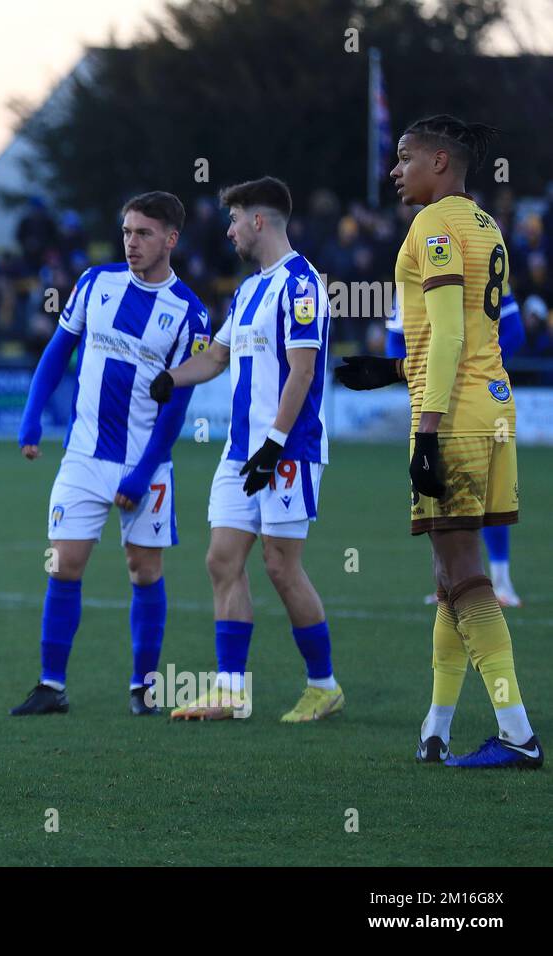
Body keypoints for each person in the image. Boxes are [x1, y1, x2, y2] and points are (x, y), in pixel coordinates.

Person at [336, 115, 541, 768]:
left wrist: (424, 432)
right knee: (450, 578)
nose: (394, 170)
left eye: (405, 158)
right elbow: (476, 340)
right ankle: (437, 726)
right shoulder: (486, 225)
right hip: (494, 411)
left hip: (452, 420)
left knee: (464, 579)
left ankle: (517, 732)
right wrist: (394, 371)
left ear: (441, 165)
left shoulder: (433, 225)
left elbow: (450, 335)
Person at [151, 176, 343, 722]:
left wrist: (274, 445)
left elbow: (303, 373)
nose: (229, 230)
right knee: (221, 559)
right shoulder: (250, 289)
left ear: (258, 221)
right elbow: (216, 357)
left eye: (235, 219)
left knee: (281, 566)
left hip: (288, 451)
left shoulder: (301, 285)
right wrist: (173, 377)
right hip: (241, 452)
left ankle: (324, 685)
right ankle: (232, 690)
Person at [11, 191, 209, 717]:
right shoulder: (96, 283)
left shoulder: (189, 312)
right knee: (63, 564)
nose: (131, 242)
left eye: (143, 233)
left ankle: (143, 688)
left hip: (146, 462)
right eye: (126, 231)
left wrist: (144, 471)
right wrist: (32, 417)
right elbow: (58, 351)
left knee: (143, 572)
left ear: (171, 239)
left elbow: (177, 405)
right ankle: (51, 686)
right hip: (82, 456)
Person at [390, 286, 526, 607]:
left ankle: (501, 582)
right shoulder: (410, 276)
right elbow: (394, 341)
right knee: (441, 490)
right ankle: (449, 581)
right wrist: (428, 372)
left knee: (487, 490)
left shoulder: (477, 262)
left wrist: (471, 367)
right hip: (436, 400)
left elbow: (515, 332)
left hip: (479, 397)